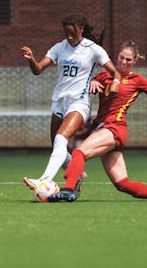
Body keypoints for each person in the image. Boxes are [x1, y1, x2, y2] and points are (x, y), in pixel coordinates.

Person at [49, 40, 147, 203]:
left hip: (114, 128)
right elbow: (83, 84)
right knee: (122, 184)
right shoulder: (105, 75)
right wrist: (92, 82)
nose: (124, 62)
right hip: (102, 129)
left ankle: (68, 190)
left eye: (128, 59)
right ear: (116, 57)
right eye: (121, 58)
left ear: (134, 61)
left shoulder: (137, 80)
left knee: (78, 153)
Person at [21, 13, 120, 191]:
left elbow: (115, 72)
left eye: (72, 34)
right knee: (57, 146)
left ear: (81, 29)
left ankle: (44, 180)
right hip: (59, 102)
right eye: (66, 34)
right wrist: (31, 60)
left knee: (60, 138)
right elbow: (38, 70)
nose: (69, 37)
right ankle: (77, 175)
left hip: (79, 102)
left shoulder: (93, 49)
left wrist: (115, 83)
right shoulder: (59, 48)